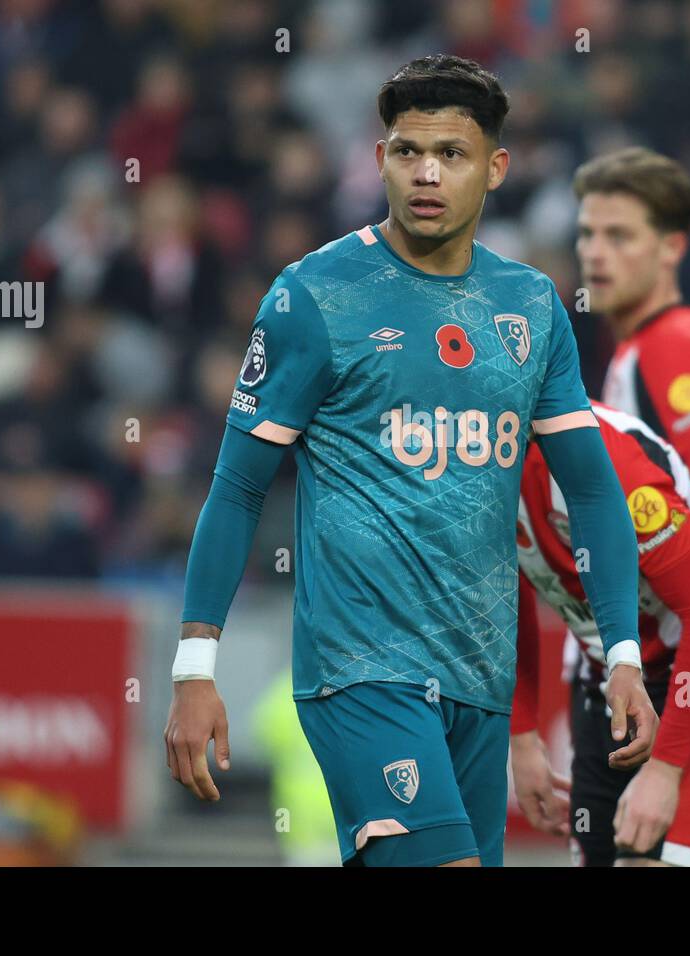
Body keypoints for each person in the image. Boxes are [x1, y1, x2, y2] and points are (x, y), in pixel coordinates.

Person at [165, 55, 653, 868]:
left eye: (452, 154)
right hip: (361, 673)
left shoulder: (531, 305)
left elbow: (595, 494)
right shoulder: (315, 295)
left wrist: (624, 655)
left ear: (496, 168)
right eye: (405, 150)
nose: (426, 173)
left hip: (478, 679)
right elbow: (237, 487)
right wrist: (193, 668)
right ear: (382, 157)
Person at [511, 401, 690, 866]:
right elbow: (505, 594)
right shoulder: (470, 459)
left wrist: (665, 770)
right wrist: (521, 739)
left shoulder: (615, 464)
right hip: (612, 684)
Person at [574, 147, 690, 532]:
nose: (595, 254)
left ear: (672, 247)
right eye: (588, 234)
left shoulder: (670, 340)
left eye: (619, 236)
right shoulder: (671, 335)